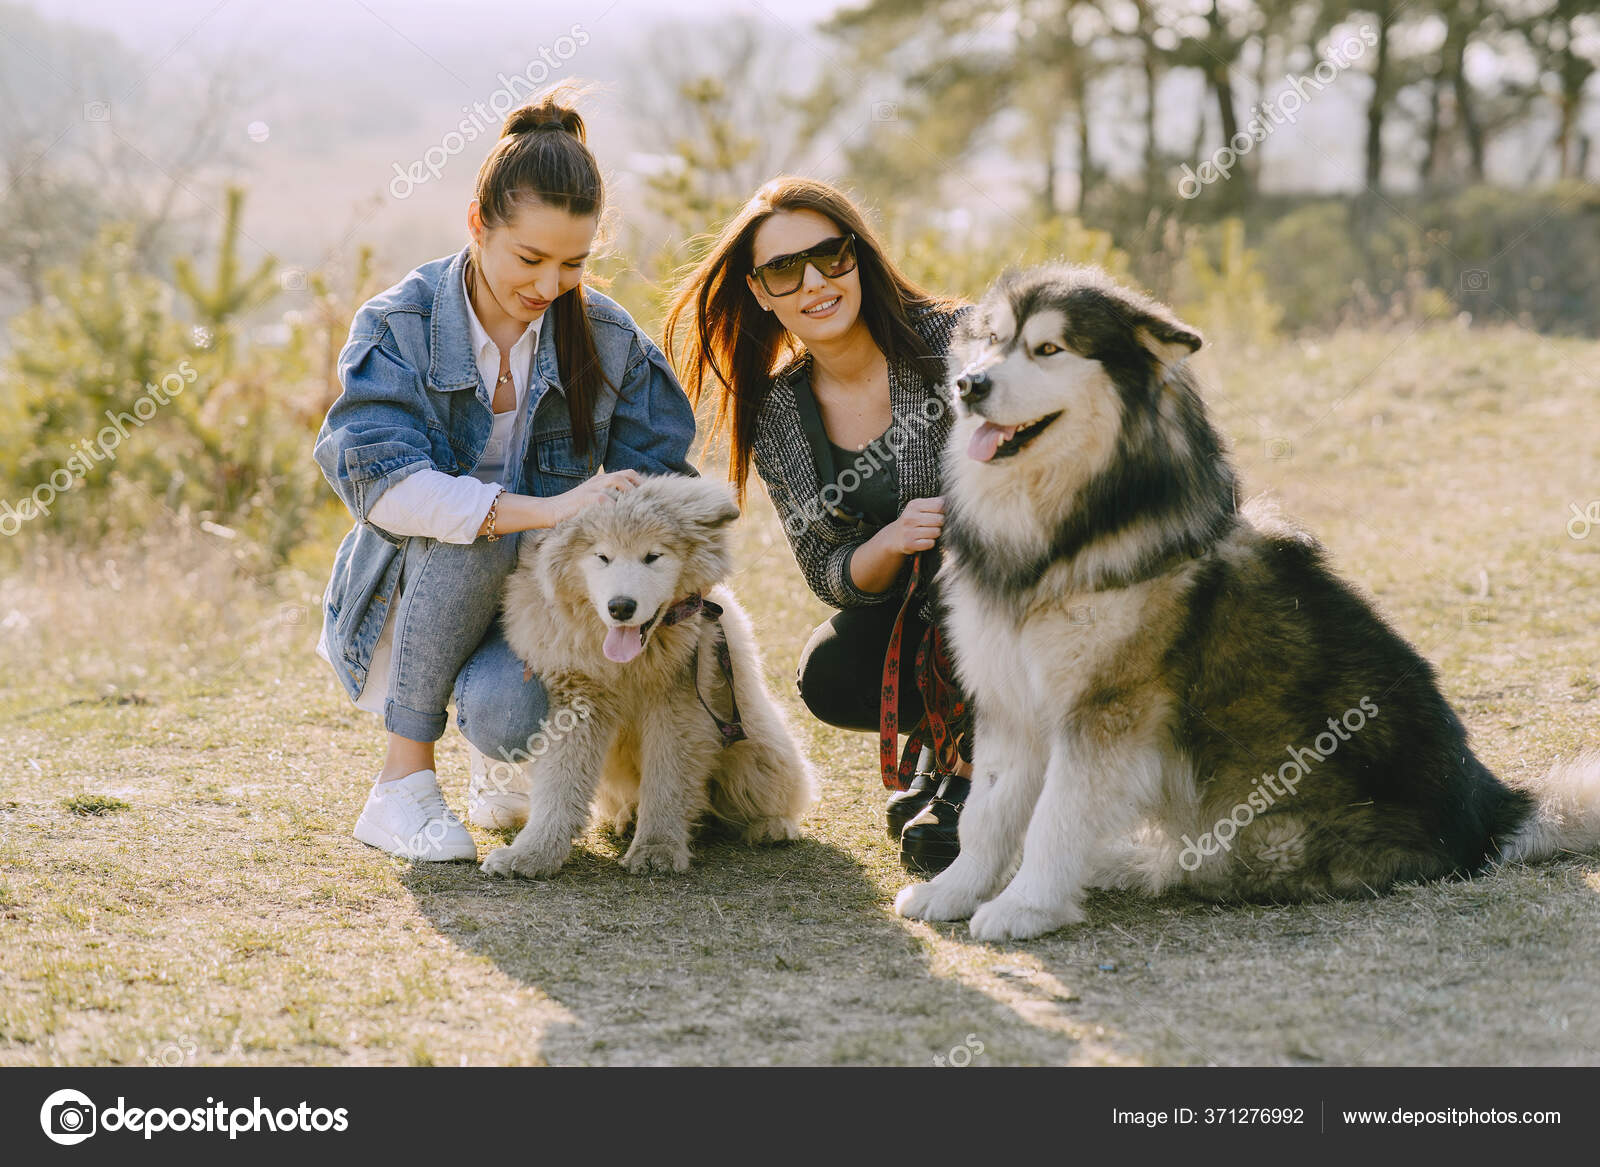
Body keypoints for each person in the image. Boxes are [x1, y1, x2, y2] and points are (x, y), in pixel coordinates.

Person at [313, 88, 696, 861]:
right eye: (529, 258)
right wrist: (548, 509)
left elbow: (661, 486)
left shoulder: (609, 338)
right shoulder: (399, 325)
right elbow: (380, 485)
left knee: (514, 715)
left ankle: (501, 761)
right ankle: (401, 786)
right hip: (409, 591)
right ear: (477, 224)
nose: (550, 284)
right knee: (480, 525)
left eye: (573, 263)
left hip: (541, 602)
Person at [664, 176, 971, 873]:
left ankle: (968, 786)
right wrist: (890, 542)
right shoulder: (777, 414)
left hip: (1022, 588)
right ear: (760, 292)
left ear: (857, 256)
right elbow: (829, 572)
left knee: (969, 577)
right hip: (911, 616)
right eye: (782, 269)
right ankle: (940, 739)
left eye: (829, 255)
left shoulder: (958, 342)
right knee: (829, 672)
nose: (813, 281)